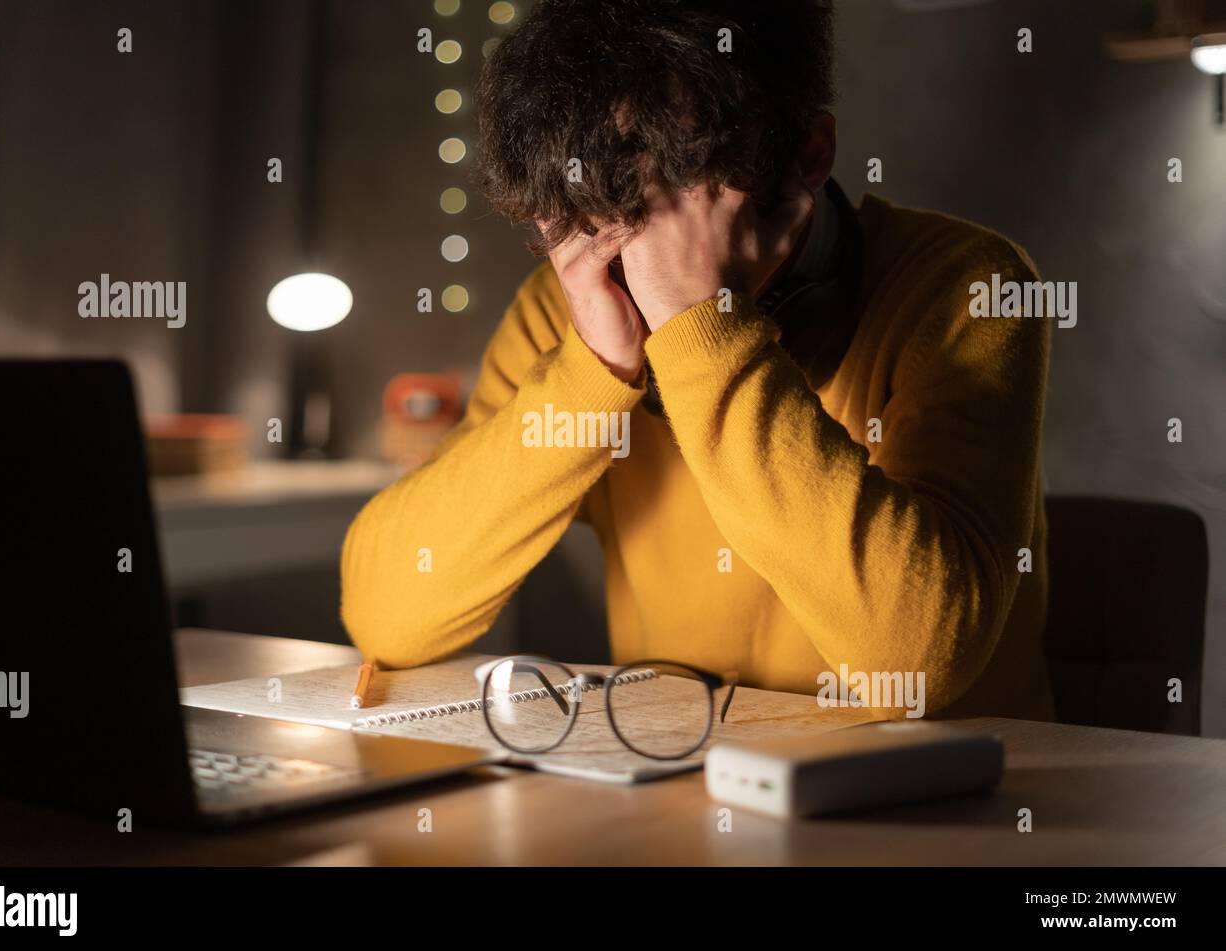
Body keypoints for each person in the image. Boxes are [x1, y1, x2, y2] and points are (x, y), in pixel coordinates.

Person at [341, 0, 1054, 720]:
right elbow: (387, 616)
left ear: (807, 154)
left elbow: (917, 663)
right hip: (675, 789)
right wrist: (593, 372)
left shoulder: (969, 285)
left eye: (669, 195)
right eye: (602, 203)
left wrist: (702, 332)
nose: (634, 255)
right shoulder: (575, 304)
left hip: (944, 804)